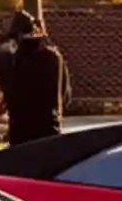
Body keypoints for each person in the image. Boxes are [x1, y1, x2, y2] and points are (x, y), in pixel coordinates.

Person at [5, 17, 72, 145]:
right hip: (50, 130)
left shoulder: (15, 61)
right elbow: (65, 95)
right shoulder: (54, 57)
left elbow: (11, 96)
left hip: (21, 133)